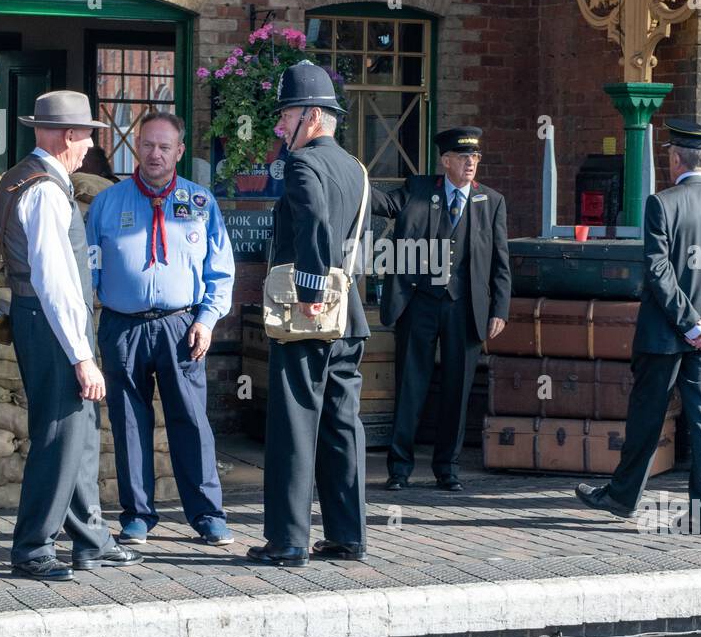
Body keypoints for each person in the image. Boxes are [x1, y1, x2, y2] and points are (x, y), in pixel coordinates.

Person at [574, 118, 701, 534]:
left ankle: (623, 496)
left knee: (647, 416)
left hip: (664, 334)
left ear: (675, 158)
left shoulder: (662, 203)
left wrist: (689, 323)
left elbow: (657, 271)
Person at [0, 90, 142, 581]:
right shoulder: (47, 192)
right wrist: (82, 356)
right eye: (86, 138)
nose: (88, 150)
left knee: (77, 434)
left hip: (39, 321)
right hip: (52, 323)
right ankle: (33, 547)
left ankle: (90, 540)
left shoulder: (18, 179)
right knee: (58, 437)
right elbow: (55, 280)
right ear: (68, 136)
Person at [86, 111, 235, 546]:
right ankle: (136, 515)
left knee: (190, 422)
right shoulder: (106, 204)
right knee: (129, 423)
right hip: (122, 328)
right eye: (148, 145)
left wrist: (206, 320)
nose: (155, 154)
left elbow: (220, 271)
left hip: (181, 327)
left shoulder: (202, 203)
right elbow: (89, 267)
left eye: (164, 147)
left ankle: (208, 515)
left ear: (180, 152)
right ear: (136, 147)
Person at [246, 62, 370, 567]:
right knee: (342, 423)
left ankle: (289, 539)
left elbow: (315, 222)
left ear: (312, 117)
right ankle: (347, 535)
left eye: (287, 115)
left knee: (295, 424)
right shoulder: (355, 168)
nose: (279, 126)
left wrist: (311, 289)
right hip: (350, 316)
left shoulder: (303, 165)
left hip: (308, 313)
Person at [368, 126, 510, 492]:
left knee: (456, 390)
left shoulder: (490, 201)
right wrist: (348, 174)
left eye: (475, 157)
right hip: (419, 304)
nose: (470, 164)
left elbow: (500, 262)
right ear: (445, 160)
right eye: (463, 157)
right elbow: (383, 203)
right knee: (411, 386)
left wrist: (500, 309)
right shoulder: (419, 190)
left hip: (466, 308)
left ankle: (447, 468)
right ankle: (399, 469)